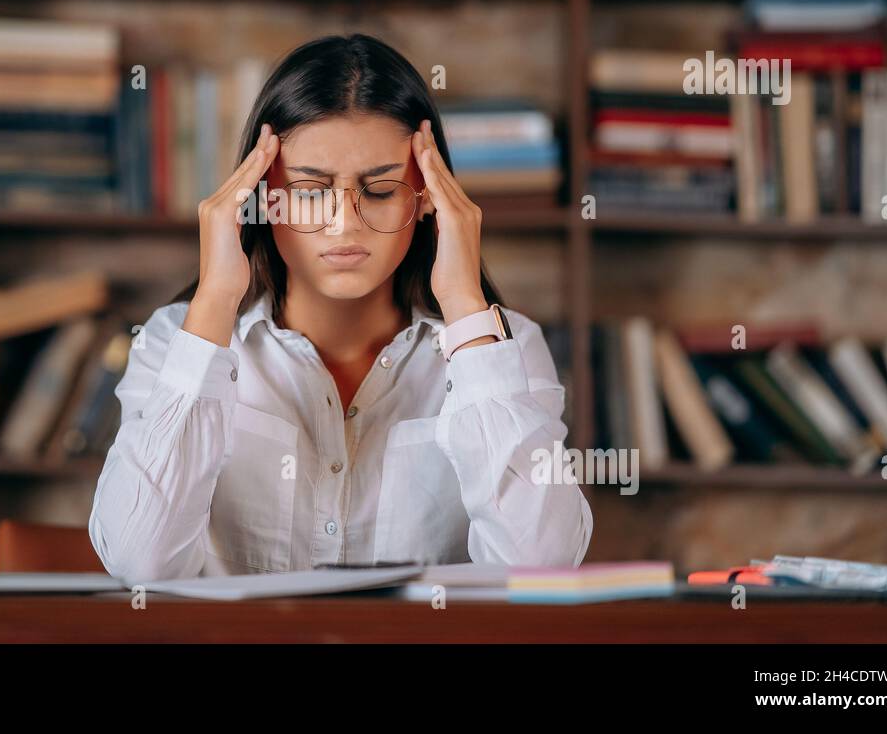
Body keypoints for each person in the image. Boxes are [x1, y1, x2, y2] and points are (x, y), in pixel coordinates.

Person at [89, 34, 592, 582]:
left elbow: (539, 567)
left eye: (379, 189)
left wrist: (466, 304)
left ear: (427, 197)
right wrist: (213, 301)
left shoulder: (504, 346)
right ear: (259, 196)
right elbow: (141, 564)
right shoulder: (173, 340)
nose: (344, 223)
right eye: (309, 190)